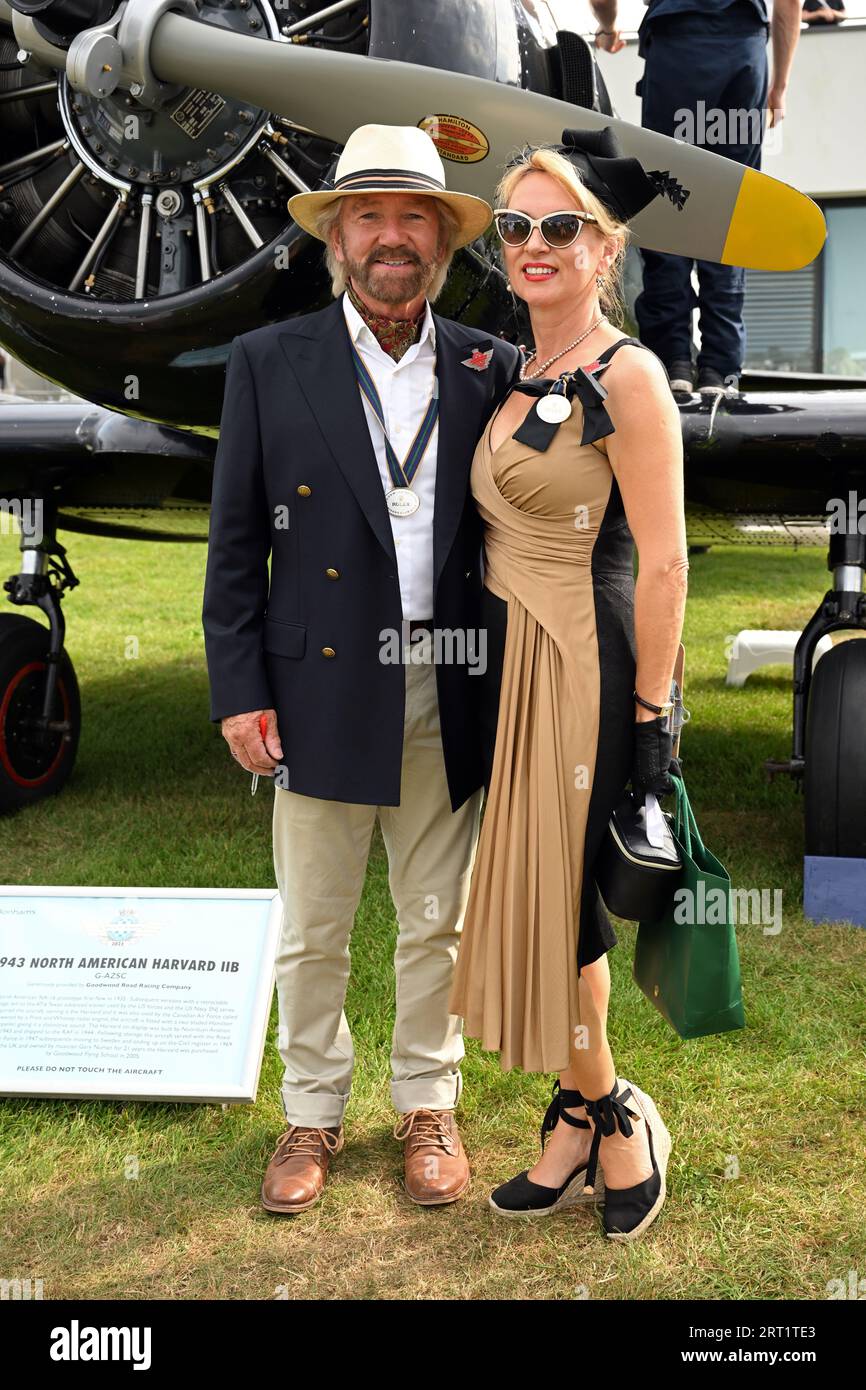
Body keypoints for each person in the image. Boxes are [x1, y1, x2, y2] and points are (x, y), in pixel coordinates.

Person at [201, 124, 521, 1214]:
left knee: (437, 913)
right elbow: (238, 542)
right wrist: (240, 687)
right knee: (313, 921)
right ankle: (311, 1112)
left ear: (441, 242)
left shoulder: (492, 366)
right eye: (371, 216)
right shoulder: (267, 361)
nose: (392, 237)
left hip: (447, 676)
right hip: (316, 683)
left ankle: (427, 1100)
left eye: (414, 218)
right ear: (337, 236)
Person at [447, 126, 688, 1241]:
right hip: (508, 660)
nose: (532, 245)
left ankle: (614, 1111)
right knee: (538, 897)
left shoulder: (624, 373)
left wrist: (649, 721)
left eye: (560, 228)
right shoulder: (513, 365)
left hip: (580, 659)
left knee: (560, 912)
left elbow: (662, 558)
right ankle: (577, 1118)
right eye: (513, 227)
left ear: (603, 248)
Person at [618, 0, 803, 395]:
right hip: (742, 55)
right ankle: (720, 367)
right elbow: (789, 5)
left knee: (669, 198)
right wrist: (780, 87)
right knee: (731, 201)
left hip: (674, 51)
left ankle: (672, 362)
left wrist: (608, 23)